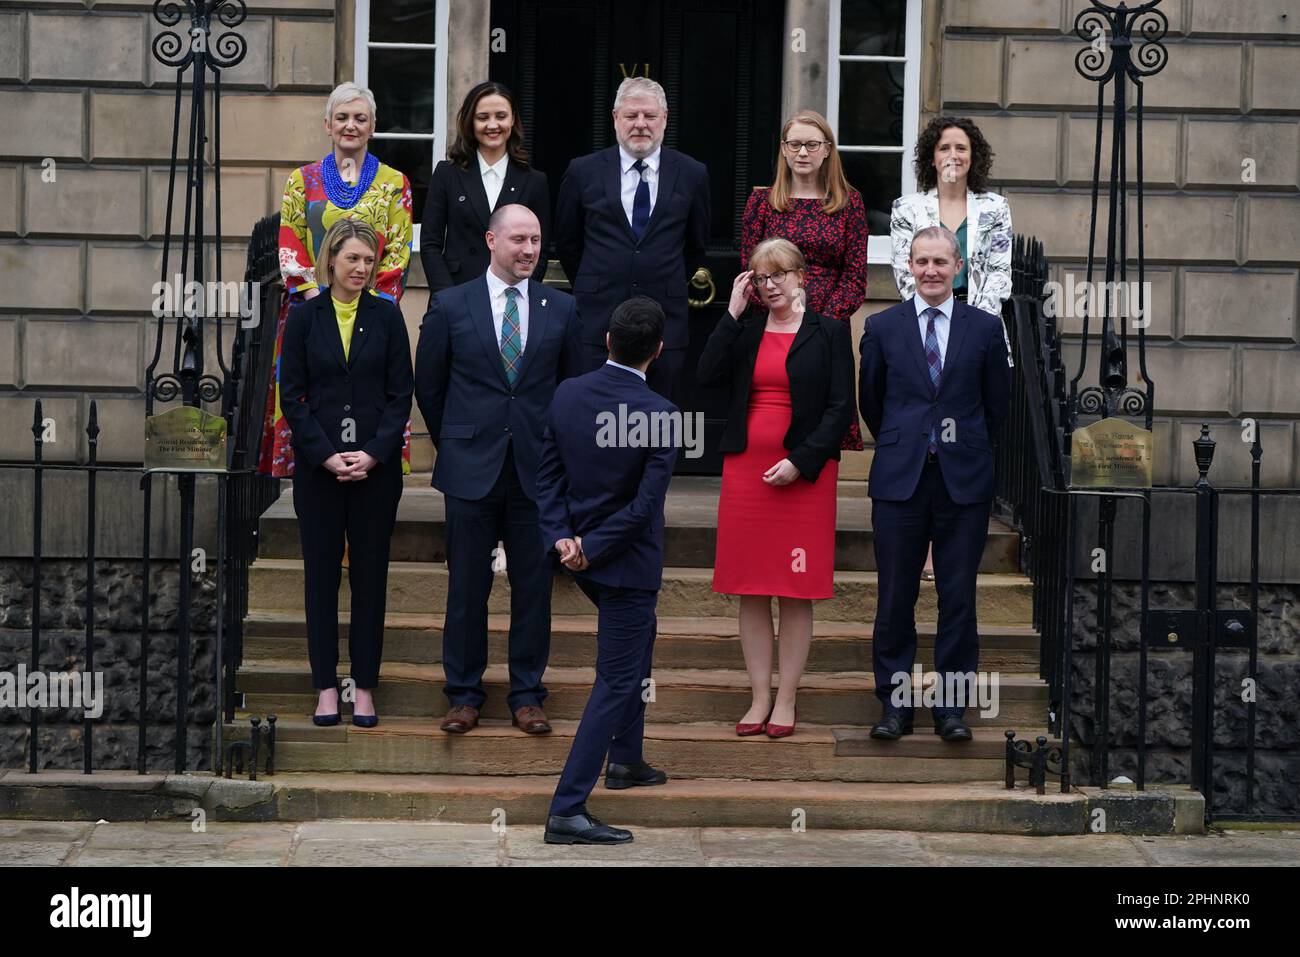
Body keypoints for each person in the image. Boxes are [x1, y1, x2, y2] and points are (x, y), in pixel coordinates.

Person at [414, 204, 582, 735]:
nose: (529, 250)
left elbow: (572, 391)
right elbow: (430, 386)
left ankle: (527, 693)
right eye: (518, 240)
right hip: (469, 469)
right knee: (467, 587)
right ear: (491, 240)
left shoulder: (562, 308)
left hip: (537, 471)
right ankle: (464, 693)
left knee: (533, 588)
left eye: (536, 240)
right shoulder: (450, 304)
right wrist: (458, 441)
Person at [697, 239, 855, 739]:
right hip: (747, 471)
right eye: (761, 278)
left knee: (794, 589)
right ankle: (758, 695)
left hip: (804, 475)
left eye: (779, 275)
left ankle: (786, 697)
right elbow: (705, 376)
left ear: (802, 276)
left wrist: (801, 462)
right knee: (750, 587)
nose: (770, 286)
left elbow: (840, 409)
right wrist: (731, 311)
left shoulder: (828, 332)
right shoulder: (744, 332)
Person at [858, 226, 1010, 743]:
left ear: (959, 268)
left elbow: (997, 407)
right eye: (921, 261)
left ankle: (951, 708)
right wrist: (909, 442)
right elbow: (871, 402)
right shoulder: (883, 327)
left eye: (940, 262)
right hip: (900, 480)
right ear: (908, 266)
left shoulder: (986, 329)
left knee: (958, 597)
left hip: (962, 482)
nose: (930, 271)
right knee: (895, 596)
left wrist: (957, 445)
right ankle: (896, 706)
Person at [536, 297, 678, 845]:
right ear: (658, 351)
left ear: (609, 343)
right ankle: (567, 808)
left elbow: (546, 478)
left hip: (583, 556)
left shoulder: (567, 392)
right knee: (617, 681)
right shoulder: (663, 414)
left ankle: (626, 760)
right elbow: (644, 508)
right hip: (624, 565)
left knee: (639, 646)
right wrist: (590, 547)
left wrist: (564, 539)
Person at [278, 218, 414, 729]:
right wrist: (326, 454)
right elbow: (291, 394)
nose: (362, 268)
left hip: (375, 472)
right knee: (321, 577)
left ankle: (365, 687)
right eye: (352, 258)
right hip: (321, 471)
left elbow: (402, 394)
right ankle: (325, 687)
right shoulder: (305, 317)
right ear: (330, 260)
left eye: (369, 260)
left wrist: (375, 453)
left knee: (370, 578)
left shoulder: (387, 316)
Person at [260, 81, 414, 478]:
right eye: (342, 118)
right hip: (311, 313)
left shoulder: (394, 183)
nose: (351, 126)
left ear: (372, 126)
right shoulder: (302, 180)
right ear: (327, 124)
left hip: (372, 315)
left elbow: (397, 252)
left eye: (360, 118)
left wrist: (366, 301)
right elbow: (291, 247)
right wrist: (319, 303)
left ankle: (368, 465)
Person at [890, 114, 1013, 581]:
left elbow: (1000, 273)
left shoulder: (995, 207)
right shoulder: (907, 207)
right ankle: (920, 551)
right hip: (922, 326)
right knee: (923, 434)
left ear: (974, 157)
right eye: (945, 148)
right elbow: (907, 275)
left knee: (966, 432)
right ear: (931, 156)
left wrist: (967, 327)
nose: (953, 157)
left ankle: (953, 548)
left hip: (976, 332)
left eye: (961, 149)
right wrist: (934, 314)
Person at [553, 76, 711, 401]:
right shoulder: (583, 172)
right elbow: (568, 243)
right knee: (595, 424)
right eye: (631, 116)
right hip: (597, 323)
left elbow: (697, 244)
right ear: (615, 119)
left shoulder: (692, 174)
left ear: (664, 119)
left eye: (650, 116)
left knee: (656, 425)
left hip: (665, 326)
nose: (640, 125)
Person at [740, 109, 869, 451]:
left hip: (828, 325)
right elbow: (751, 272)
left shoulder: (849, 203)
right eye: (794, 144)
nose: (802, 153)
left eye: (812, 145)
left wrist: (821, 323)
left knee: (822, 419)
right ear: (783, 149)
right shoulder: (762, 203)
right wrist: (782, 315)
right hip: (772, 325)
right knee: (773, 416)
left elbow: (855, 276)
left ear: (827, 149)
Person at [420, 80, 551, 293]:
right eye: (483, 117)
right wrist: (447, 298)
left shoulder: (534, 181)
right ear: (471, 121)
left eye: (501, 116)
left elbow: (541, 251)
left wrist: (519, 293)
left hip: (512, 298)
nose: (492, 125)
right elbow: (430, 244)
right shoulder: (447, 174)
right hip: (456, 293)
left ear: (513, 120)